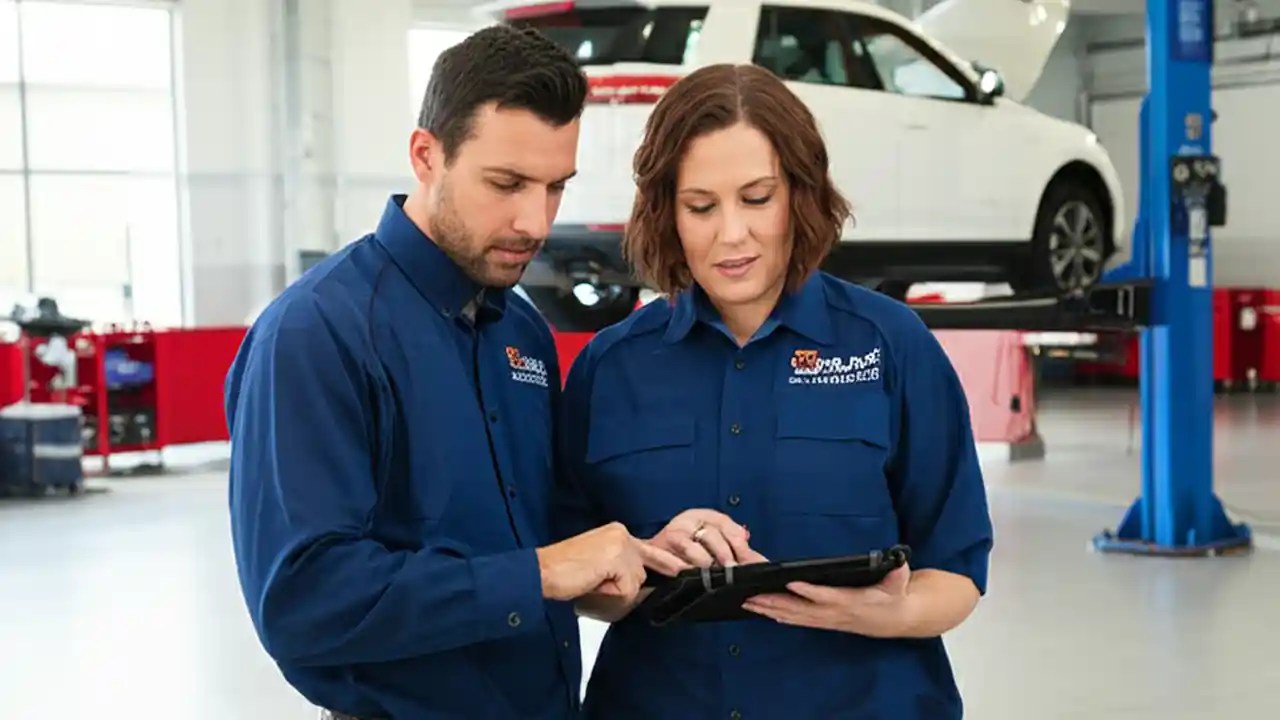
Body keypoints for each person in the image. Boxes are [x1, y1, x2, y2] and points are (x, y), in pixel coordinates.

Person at [223, 25, 686, 720]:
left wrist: (643, 551)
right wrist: (540, 574)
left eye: (555, 188)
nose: (535, 222)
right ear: (426, 156)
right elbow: (302, 600)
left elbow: (544, 536)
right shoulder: (317, 334)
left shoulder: (523, 332)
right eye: (507, 184)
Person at [556, 63, 995, 719]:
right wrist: (641, 565)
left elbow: (957, 569)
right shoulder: (609, 369)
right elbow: (576, 576)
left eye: (757, 199)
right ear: (667, 213)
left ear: (800, 195)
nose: (731, 234)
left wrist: (879, 613)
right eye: (700, 206)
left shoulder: (892, 346)